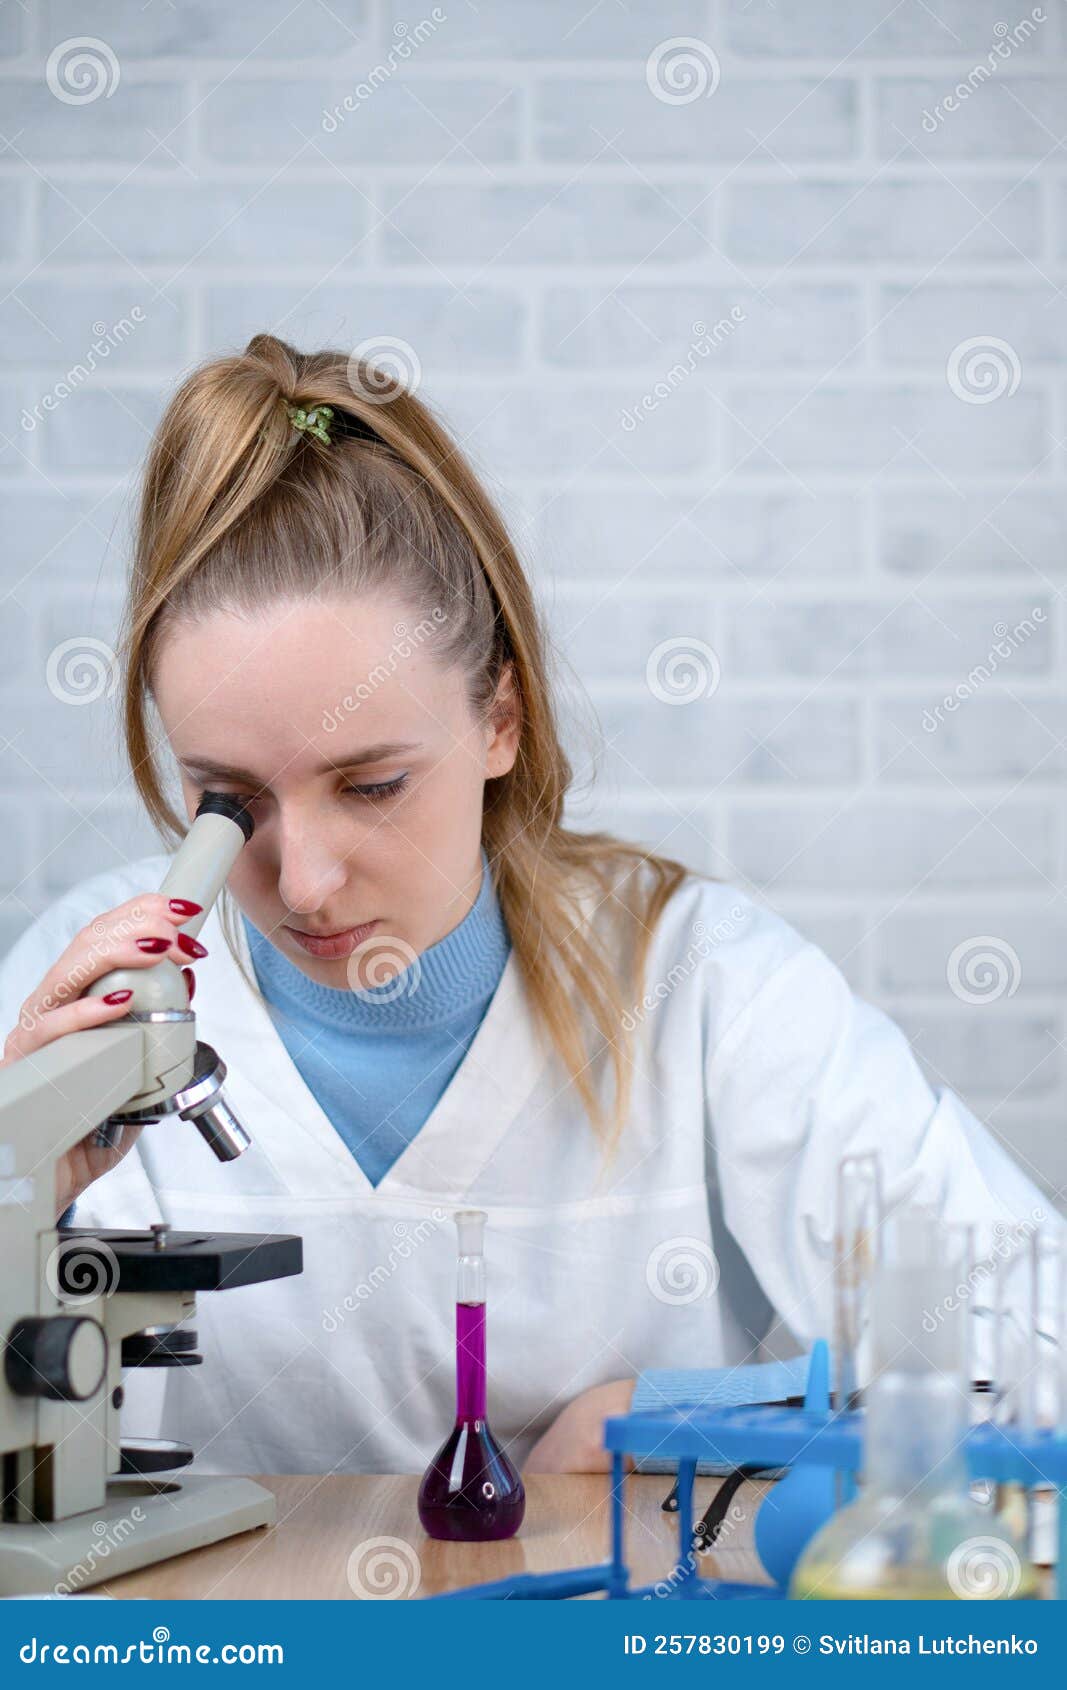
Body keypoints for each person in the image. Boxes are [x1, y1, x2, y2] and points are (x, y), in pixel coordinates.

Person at [0, 336, 1053, 1479]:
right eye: (229, 800)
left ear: (500, 716)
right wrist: (15, 1190)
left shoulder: (704, 985)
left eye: (372, 785)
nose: (302, 883)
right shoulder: (87, 992)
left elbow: (1028, 1348)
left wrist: (654, 1414)